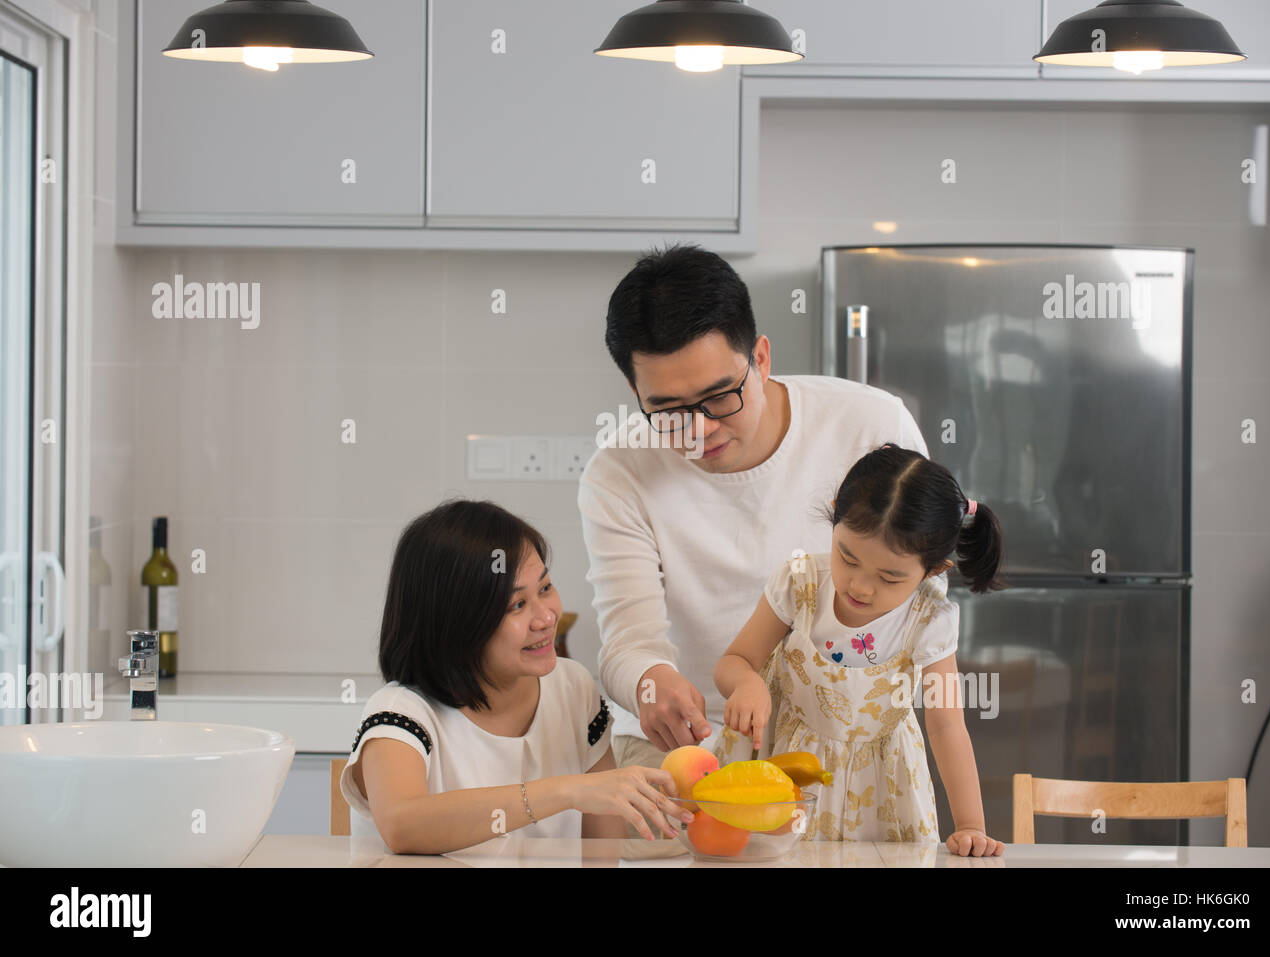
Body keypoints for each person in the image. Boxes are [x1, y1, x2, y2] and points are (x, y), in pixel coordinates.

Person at [578, 243, 939, 778]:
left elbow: (916, 595)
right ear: (635, 392)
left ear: (761, 359)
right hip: (686, 746)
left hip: (838, 736)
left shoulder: (871, 427)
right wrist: (648, 680)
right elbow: (626, 640)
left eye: (721, 396)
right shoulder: (619, 473)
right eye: (667, 410)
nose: (699, 431)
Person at [339, 500, 693, 855]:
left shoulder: (572, 688)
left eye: (544, 589)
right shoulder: (402, 713)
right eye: (516, 605)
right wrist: (567, 790)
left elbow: (600, 846)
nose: (545, 618)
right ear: (457, 623)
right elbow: (403, 826)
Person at [714, 444, 1008, 855]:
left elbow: (946, 726)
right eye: (847, 557)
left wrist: (971, 824)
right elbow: (736, 660)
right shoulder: (800, 584)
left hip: (886, 791)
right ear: (835, 515)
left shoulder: (928, 619)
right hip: (791, 776)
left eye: (890, 578)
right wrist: (746, 684)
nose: (860, 586)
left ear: (934, 568)